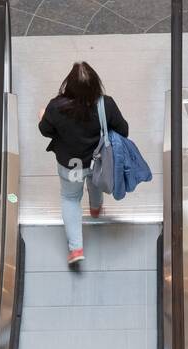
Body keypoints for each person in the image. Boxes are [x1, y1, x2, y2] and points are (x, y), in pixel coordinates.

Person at [38, 61, 130, 267]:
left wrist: (43, 116)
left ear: (68, 85)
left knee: (70, 198)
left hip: (71, 165)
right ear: (96, 84)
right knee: (95, 183)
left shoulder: (56, 107)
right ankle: (96, 209)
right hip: (97, 162)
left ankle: (76, 248)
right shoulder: (106, 105)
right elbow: (123, 129)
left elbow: (45, 130)